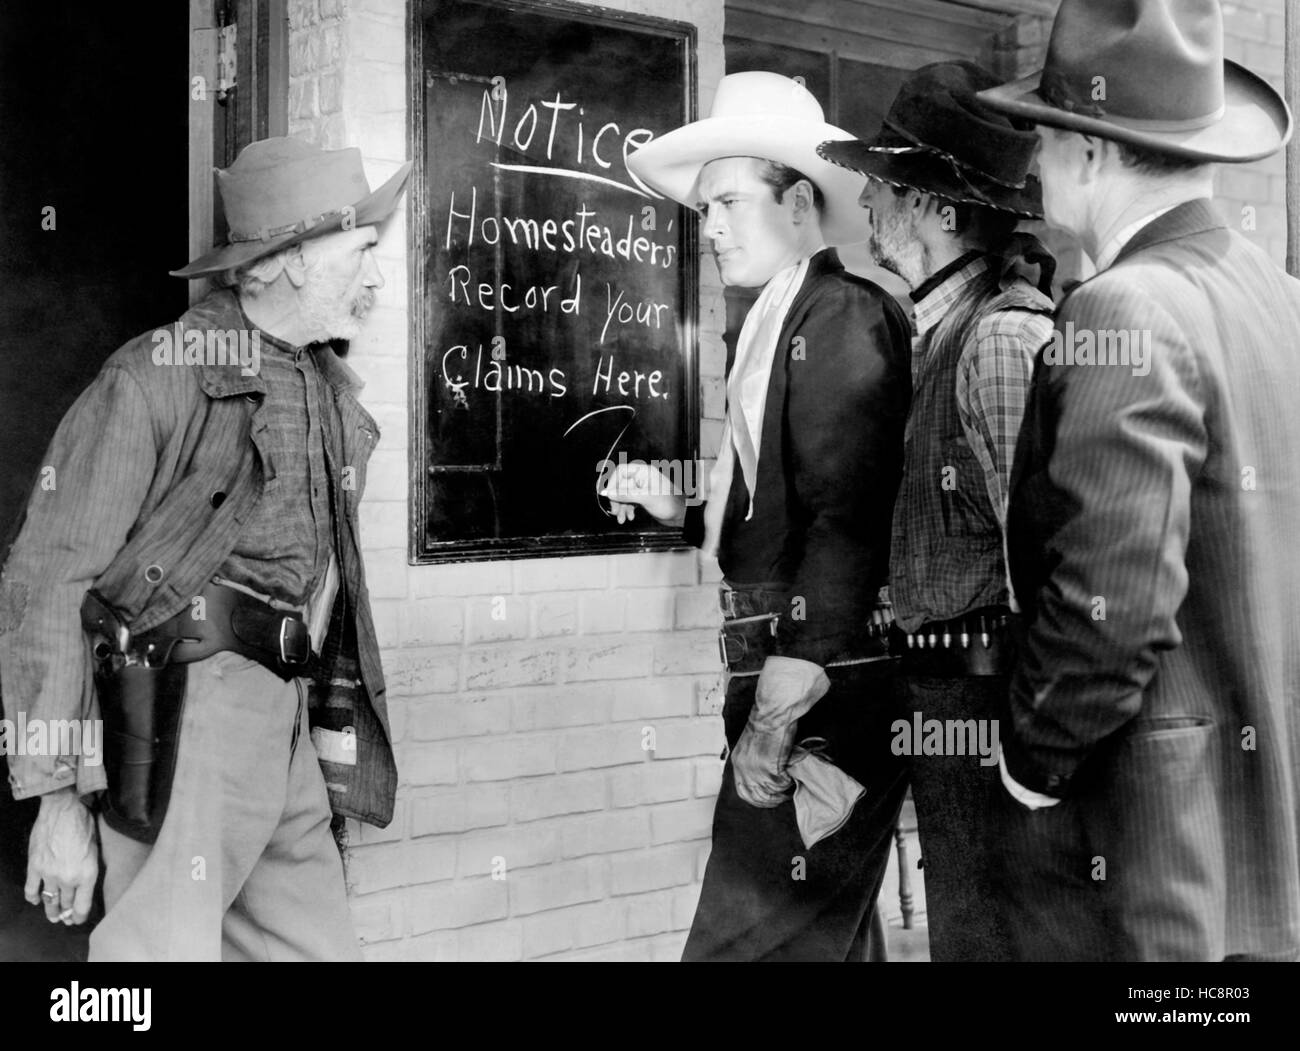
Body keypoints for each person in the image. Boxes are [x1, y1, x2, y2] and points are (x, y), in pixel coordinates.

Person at [0, 137, 410, 960]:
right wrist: (56, 797)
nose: (376, 277)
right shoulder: (157, 374)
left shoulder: (317, 382)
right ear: (291, 259)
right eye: (361, 250)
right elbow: (44, 580)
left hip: (282, 715)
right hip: (189, 709)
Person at [976, 0, 1300, 960]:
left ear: (1093, 152)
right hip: (1253, 860)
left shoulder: (1125, 303)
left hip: (1150, 862)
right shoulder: (1282, 301)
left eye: (1044, 139)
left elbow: (1111, 608)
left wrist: (1028, 764)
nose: (1035, 164)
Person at [607, 71, 913, 960]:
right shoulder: (774, 320)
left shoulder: (843, 313)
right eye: (705, 211)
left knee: (742, 944)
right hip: (792, 670)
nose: (712, 231)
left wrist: (784, 698)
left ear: (802, 200)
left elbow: (848, 515)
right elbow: (780, 502)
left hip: (823, 685)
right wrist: (681, 502)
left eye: (731, 202)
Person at [819, 60, 1055, 961]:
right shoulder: (934, 335)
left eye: (888, 182)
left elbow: (1050, 564)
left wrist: (1035, 749)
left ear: (941, 211)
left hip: (991, 704)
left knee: (991, 940)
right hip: (949, 698)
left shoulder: (999, 339)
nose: (870, 199)